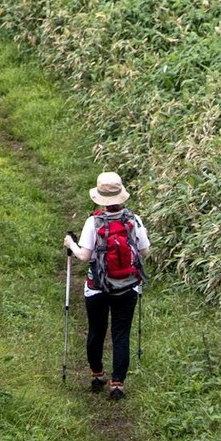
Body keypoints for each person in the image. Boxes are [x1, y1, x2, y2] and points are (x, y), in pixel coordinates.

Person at [64, 171, 150, 401]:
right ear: (121, 195)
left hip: (97, 288)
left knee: (97, 330)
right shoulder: (134, 220)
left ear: (99, 198)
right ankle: (117, 383)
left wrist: (70, 244)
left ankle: (97, 374)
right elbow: (144, 252)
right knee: (121, 334)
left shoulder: (93, 222)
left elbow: (84, 256)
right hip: (127, 287)